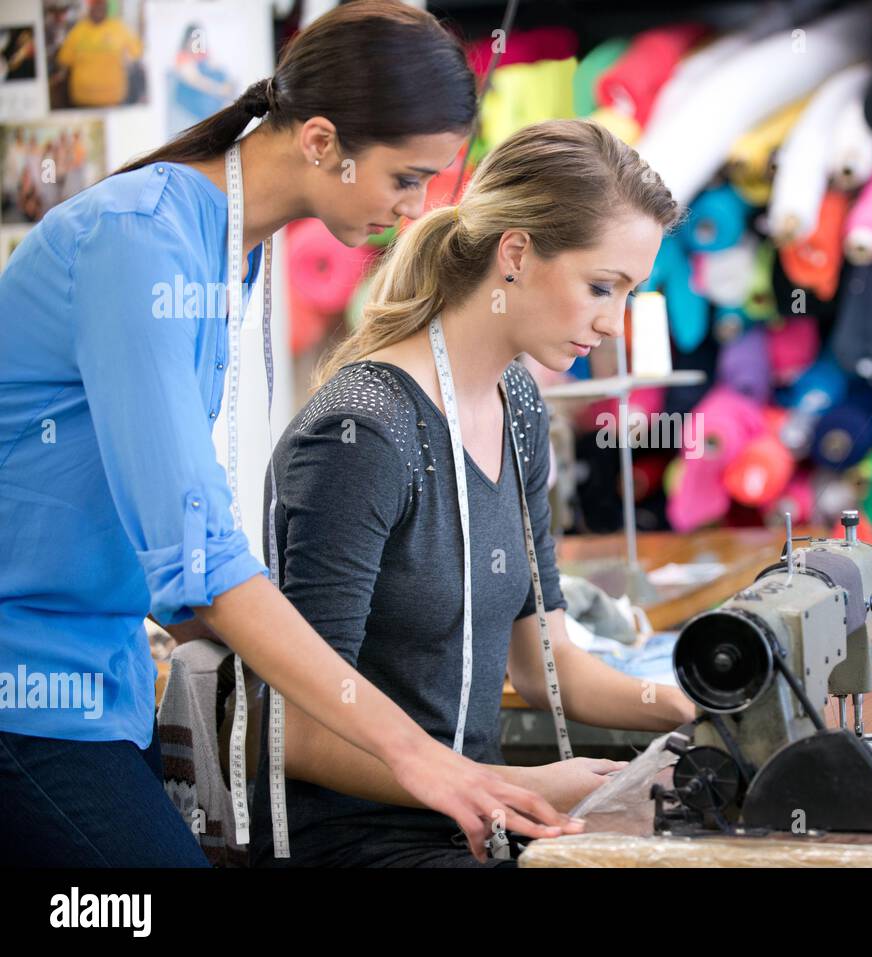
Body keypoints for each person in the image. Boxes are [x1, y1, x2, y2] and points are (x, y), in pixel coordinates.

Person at [0, 0, 578, 868]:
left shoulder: (234, 247)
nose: (416, 208)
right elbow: (196, 555)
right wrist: (420, 755)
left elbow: (157, 537)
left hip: (102, 676)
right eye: (404, 177)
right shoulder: (139, 242)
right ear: (318, 142)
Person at [251, 118, 694, 867]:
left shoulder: (516, 402)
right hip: (365, 843)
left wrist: (699, 703)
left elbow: (545, 662)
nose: (610, 323)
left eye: (627, 294)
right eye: (599, 286)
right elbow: (298, 733)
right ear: (516, 253)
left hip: (482, 825)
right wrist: (511, 782)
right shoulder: (360, 438)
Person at [55, 0, 143, 108]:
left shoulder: (119, 28)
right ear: (89, 8)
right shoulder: (77, 30)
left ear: (106, 8)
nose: (98, 9)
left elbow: (137, 52)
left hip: (112, 99)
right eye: (95, 5)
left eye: (101, 5)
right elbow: (64, 59)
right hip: (83, 99)